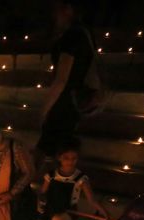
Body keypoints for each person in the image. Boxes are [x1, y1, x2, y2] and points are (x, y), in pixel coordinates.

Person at [36, 0, 101, 174]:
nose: (53, 15)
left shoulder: (72, 36)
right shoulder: (85, 33)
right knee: (60, 151)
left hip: (64, 102)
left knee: (46, 151)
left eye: (57, 10)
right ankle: (56, 188)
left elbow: (61, 80)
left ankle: (36, 190)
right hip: (74, 101)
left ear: (69, 9)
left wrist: (44, 110)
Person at [23, 138, 112, 220]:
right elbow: (43, 192)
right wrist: (40, 200)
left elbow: (92, 200)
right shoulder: (51, 176)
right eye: (66, 158)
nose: (70, 161)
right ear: (59, 158)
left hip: (67, 212)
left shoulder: (80, 178)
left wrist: (105, 214)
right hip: (50, 211)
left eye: (74, 158)